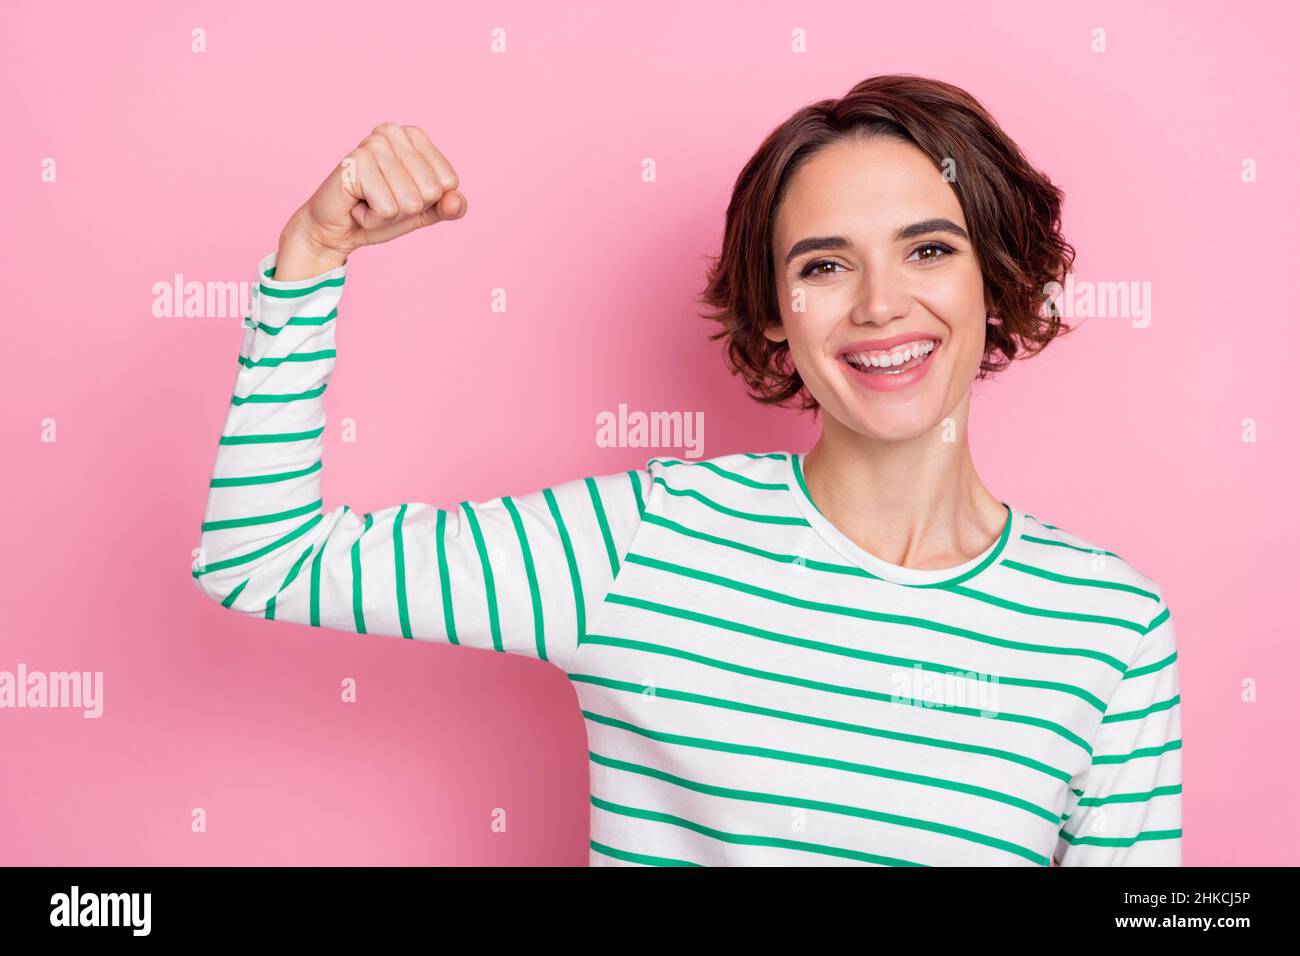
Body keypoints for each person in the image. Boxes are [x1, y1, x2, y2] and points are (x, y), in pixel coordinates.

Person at [193, 74, 1182, 867]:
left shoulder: (1110, 626)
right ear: (771, 313)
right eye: (823, 265)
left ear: (995, 279)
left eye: (928, 247)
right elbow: (263, 556)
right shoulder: (644, 539)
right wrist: (311, 256)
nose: (881, 304)